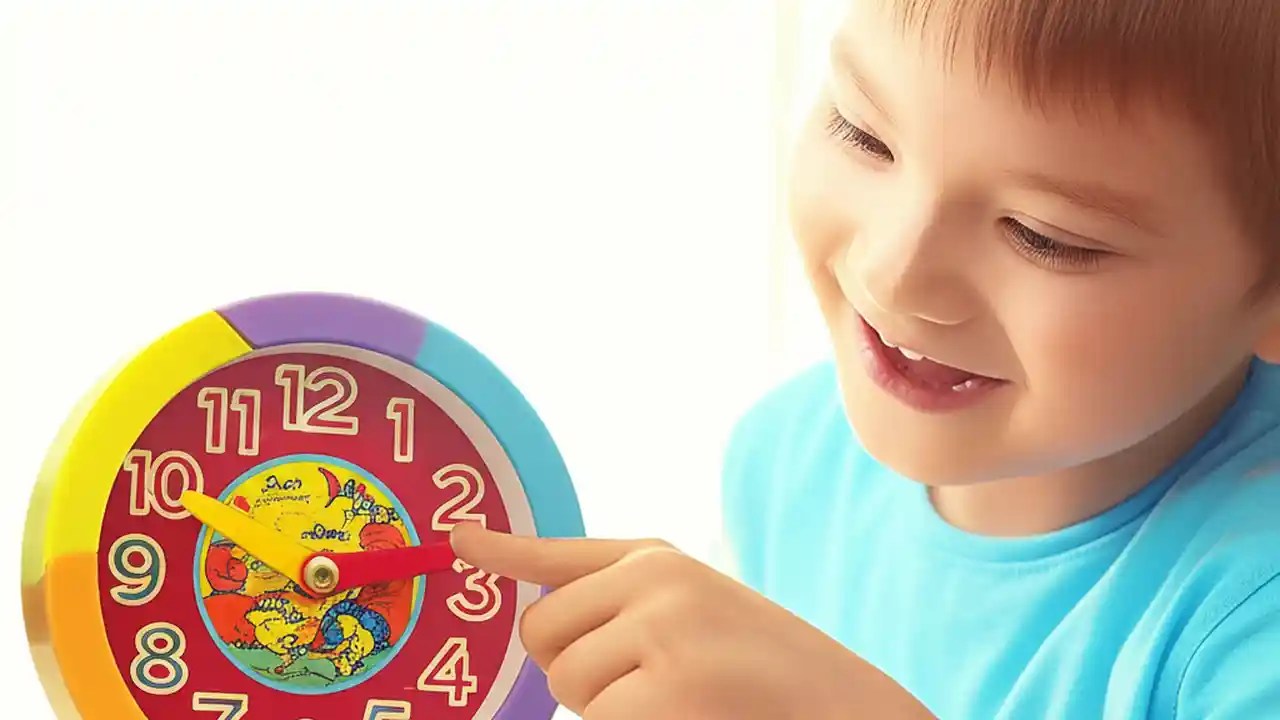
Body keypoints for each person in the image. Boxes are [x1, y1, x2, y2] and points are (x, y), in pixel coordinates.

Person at [450, 0, 1280, 717]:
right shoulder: (790, 454)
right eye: (864, 134)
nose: (893, 271)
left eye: (1044, 236)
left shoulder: (1250, 616)